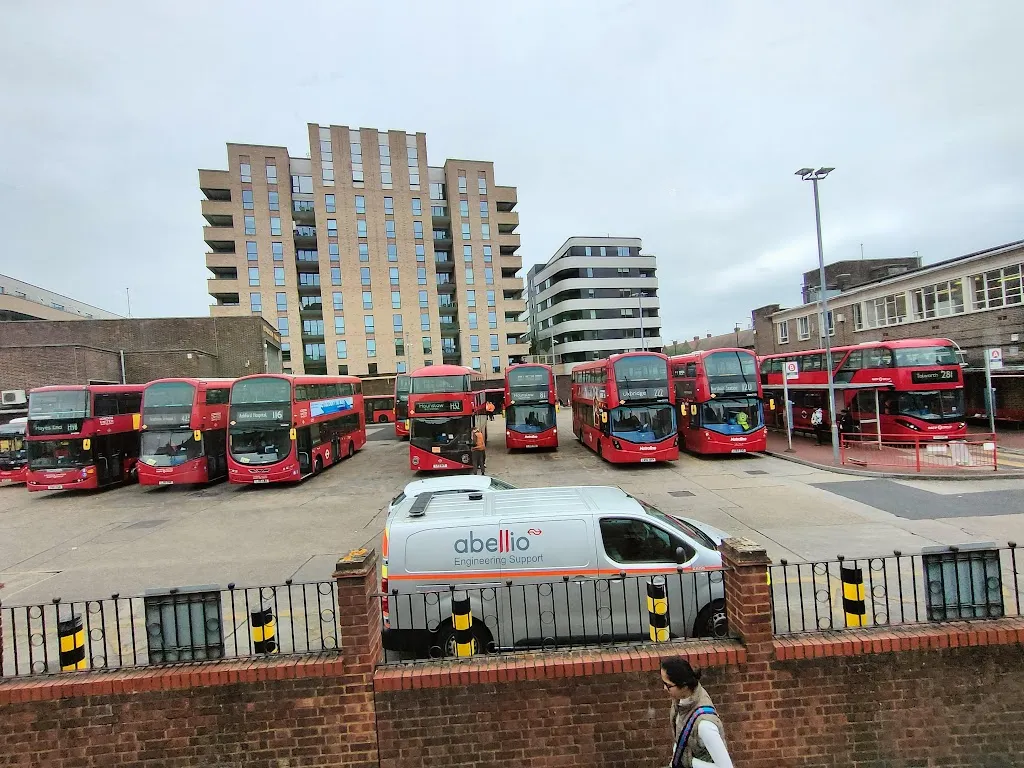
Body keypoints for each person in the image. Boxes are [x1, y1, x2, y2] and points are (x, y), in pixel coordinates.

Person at [661, 657, 733, 768]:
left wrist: (689, 762)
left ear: (684, 686)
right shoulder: (681, 700)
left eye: (668, 685)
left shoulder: (705, 725)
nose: (664, 688)